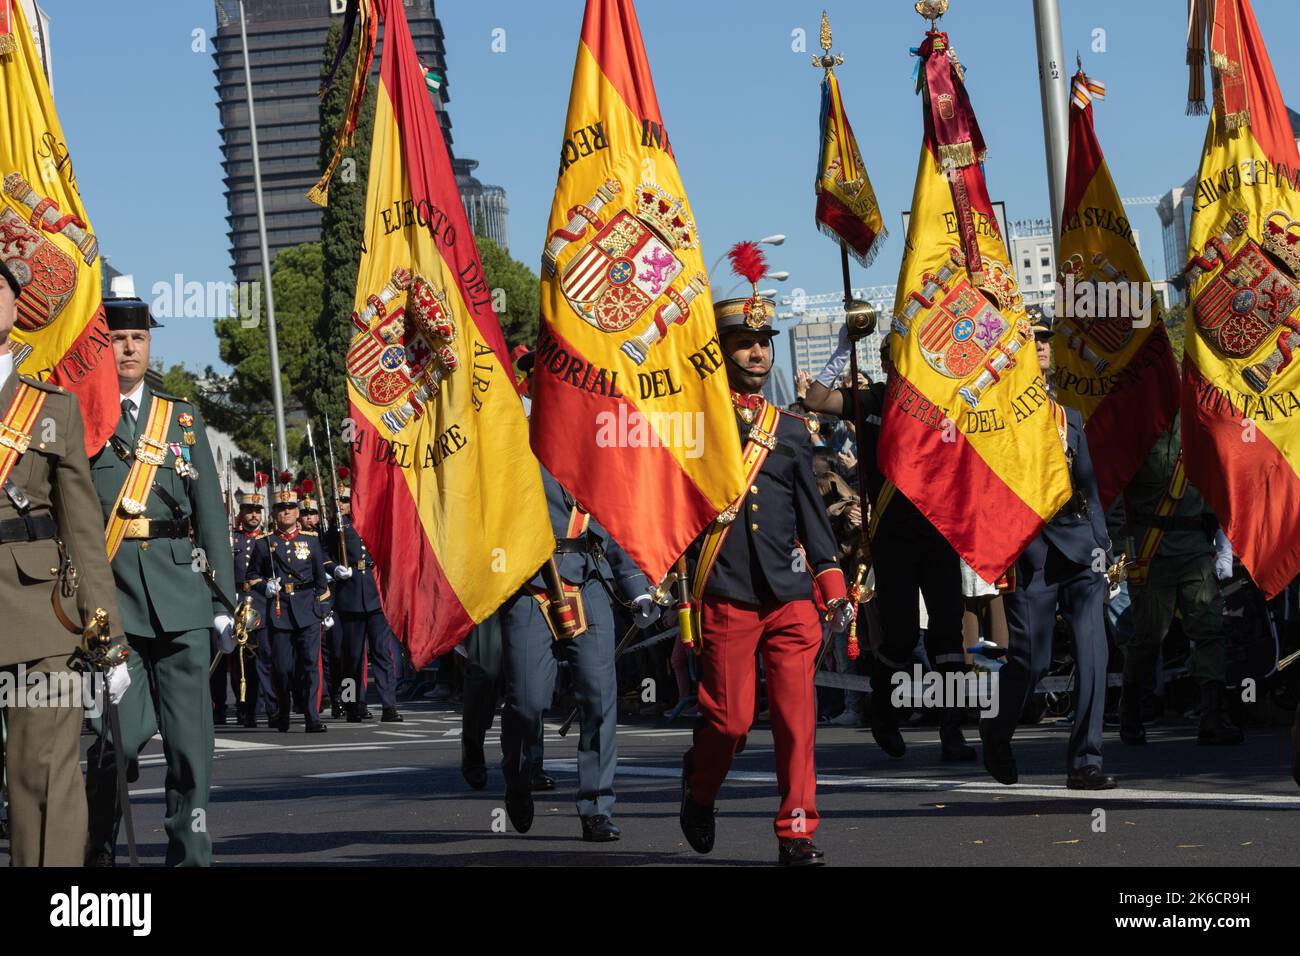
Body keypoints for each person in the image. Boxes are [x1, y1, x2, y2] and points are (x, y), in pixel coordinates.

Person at [679, 261, 851, 868]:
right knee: (729, 722)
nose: (756, 354)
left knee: (797, 718)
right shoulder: (695, 425)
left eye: (762, 344)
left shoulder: (792, 430)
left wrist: (832, 585)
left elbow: (813, 514)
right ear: (722, 350)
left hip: (790, 592)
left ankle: (796, 830)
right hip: (726, 588)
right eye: (744, 344)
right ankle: (699, 788)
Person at [86, 289, 235, 866]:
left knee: (191, 749)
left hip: (182, 600)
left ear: (150, 345)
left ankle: (190, 855)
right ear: (100, 345)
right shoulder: (80, 415)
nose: (128, 348)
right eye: (117, 338)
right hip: (112, 602)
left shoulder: (183, 417)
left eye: (138, 338)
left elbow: (210, 517)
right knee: (113, 748)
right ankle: (94, 851)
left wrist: (221, 596)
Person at [0, 261, 125, 866]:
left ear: (17, 304)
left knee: (45, 777)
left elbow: (82, 528)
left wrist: (108, 635)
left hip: (42, 616)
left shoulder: (50, 408)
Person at [500, 372, 657, 842]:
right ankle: (520, 776)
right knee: (527, 701)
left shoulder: (596, 452)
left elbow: (614, 519)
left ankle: (596, 807)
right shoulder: (512, 447)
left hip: (587, 579)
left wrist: (636, 586)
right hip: (530, 583)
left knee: (598, 698)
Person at [805, 329, 975, 763]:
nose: (902, 367)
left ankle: (952, 731)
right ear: (883, 365)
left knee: (948, 637)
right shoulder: (875, 399)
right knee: (899, 636)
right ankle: (884, 708)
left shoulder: (945, 401)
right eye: (893, 359)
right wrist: (843, 346)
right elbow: (818, 401)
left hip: (938, 532)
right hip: (890, 536)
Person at [979, 316, 1117, 790]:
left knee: (1092, 653)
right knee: (1030, 663)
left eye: (1044, 340)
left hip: (1080, 551)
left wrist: (1101, 541)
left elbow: (1090, 487)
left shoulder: (1069, 417)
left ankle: (1086, 761)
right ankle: (996, 732)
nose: (1040, 346)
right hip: (1030, 551)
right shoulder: (996, 414)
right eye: (1031, 340)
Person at [1119, 413, 1243, 746]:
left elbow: (1221, 486)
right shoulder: (1140, 427)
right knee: (1148, 636)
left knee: (1210, 629)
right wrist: (1115, 548)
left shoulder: (1203, 428)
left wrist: (1224, 545)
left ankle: (1213, 716)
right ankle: (1130, 709)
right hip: (1152, 550)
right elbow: (1117, 488)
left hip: (1195, 549)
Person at [248, 475, 334, 733]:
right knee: (283, 669)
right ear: (274, 514)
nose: (286, 512)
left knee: (309, 665)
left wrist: (324, 609)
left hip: (308, 610)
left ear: (297, 512)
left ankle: (312, 717)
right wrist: (266, 586)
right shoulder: (264, 544)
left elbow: (321, 579)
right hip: (279, 611)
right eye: (281, 509)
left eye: (290, 508)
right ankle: (283, 712)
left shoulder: (311, 540)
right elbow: (251, 577)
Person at [325, 472, 402, 723]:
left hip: (374, 590)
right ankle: (351, 704)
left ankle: (389, 705)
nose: (343, 505)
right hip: (349, 596)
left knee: (382, 653)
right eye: (340, 501)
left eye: (346, 500)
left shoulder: (372, 520)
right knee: (352, 657)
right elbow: (324, 555)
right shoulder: (336, 527)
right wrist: (335, 568)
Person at [221, 487, 268, 729]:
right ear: (241, 513)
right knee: (239, 662)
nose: (253, 516)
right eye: (249, 511)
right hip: (238, 602)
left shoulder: (267, 539)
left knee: (261, 660)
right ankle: (243, 707)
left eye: (257, 511)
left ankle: (259, 707)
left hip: (261, 603)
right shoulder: (234, 538)